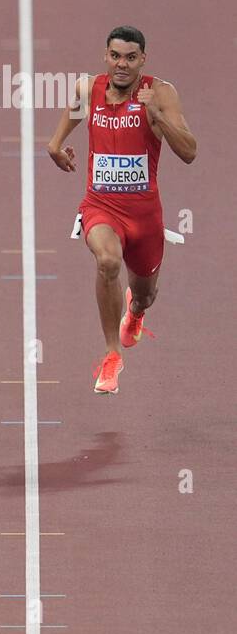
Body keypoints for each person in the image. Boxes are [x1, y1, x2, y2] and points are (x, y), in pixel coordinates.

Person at [47, 25, 196, 394]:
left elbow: (190, 151)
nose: (122, 65)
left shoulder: (160, 93)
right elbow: (73, 114)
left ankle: (137, 311)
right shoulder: (90, 88)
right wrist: (55, 145)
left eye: (130, 58)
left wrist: (155, 115)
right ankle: (112, 355)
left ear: (142, 59)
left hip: (145, 217)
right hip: (101, 206)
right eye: (115, 56)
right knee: (108, 262)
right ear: (106, 56)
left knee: (145, 292)